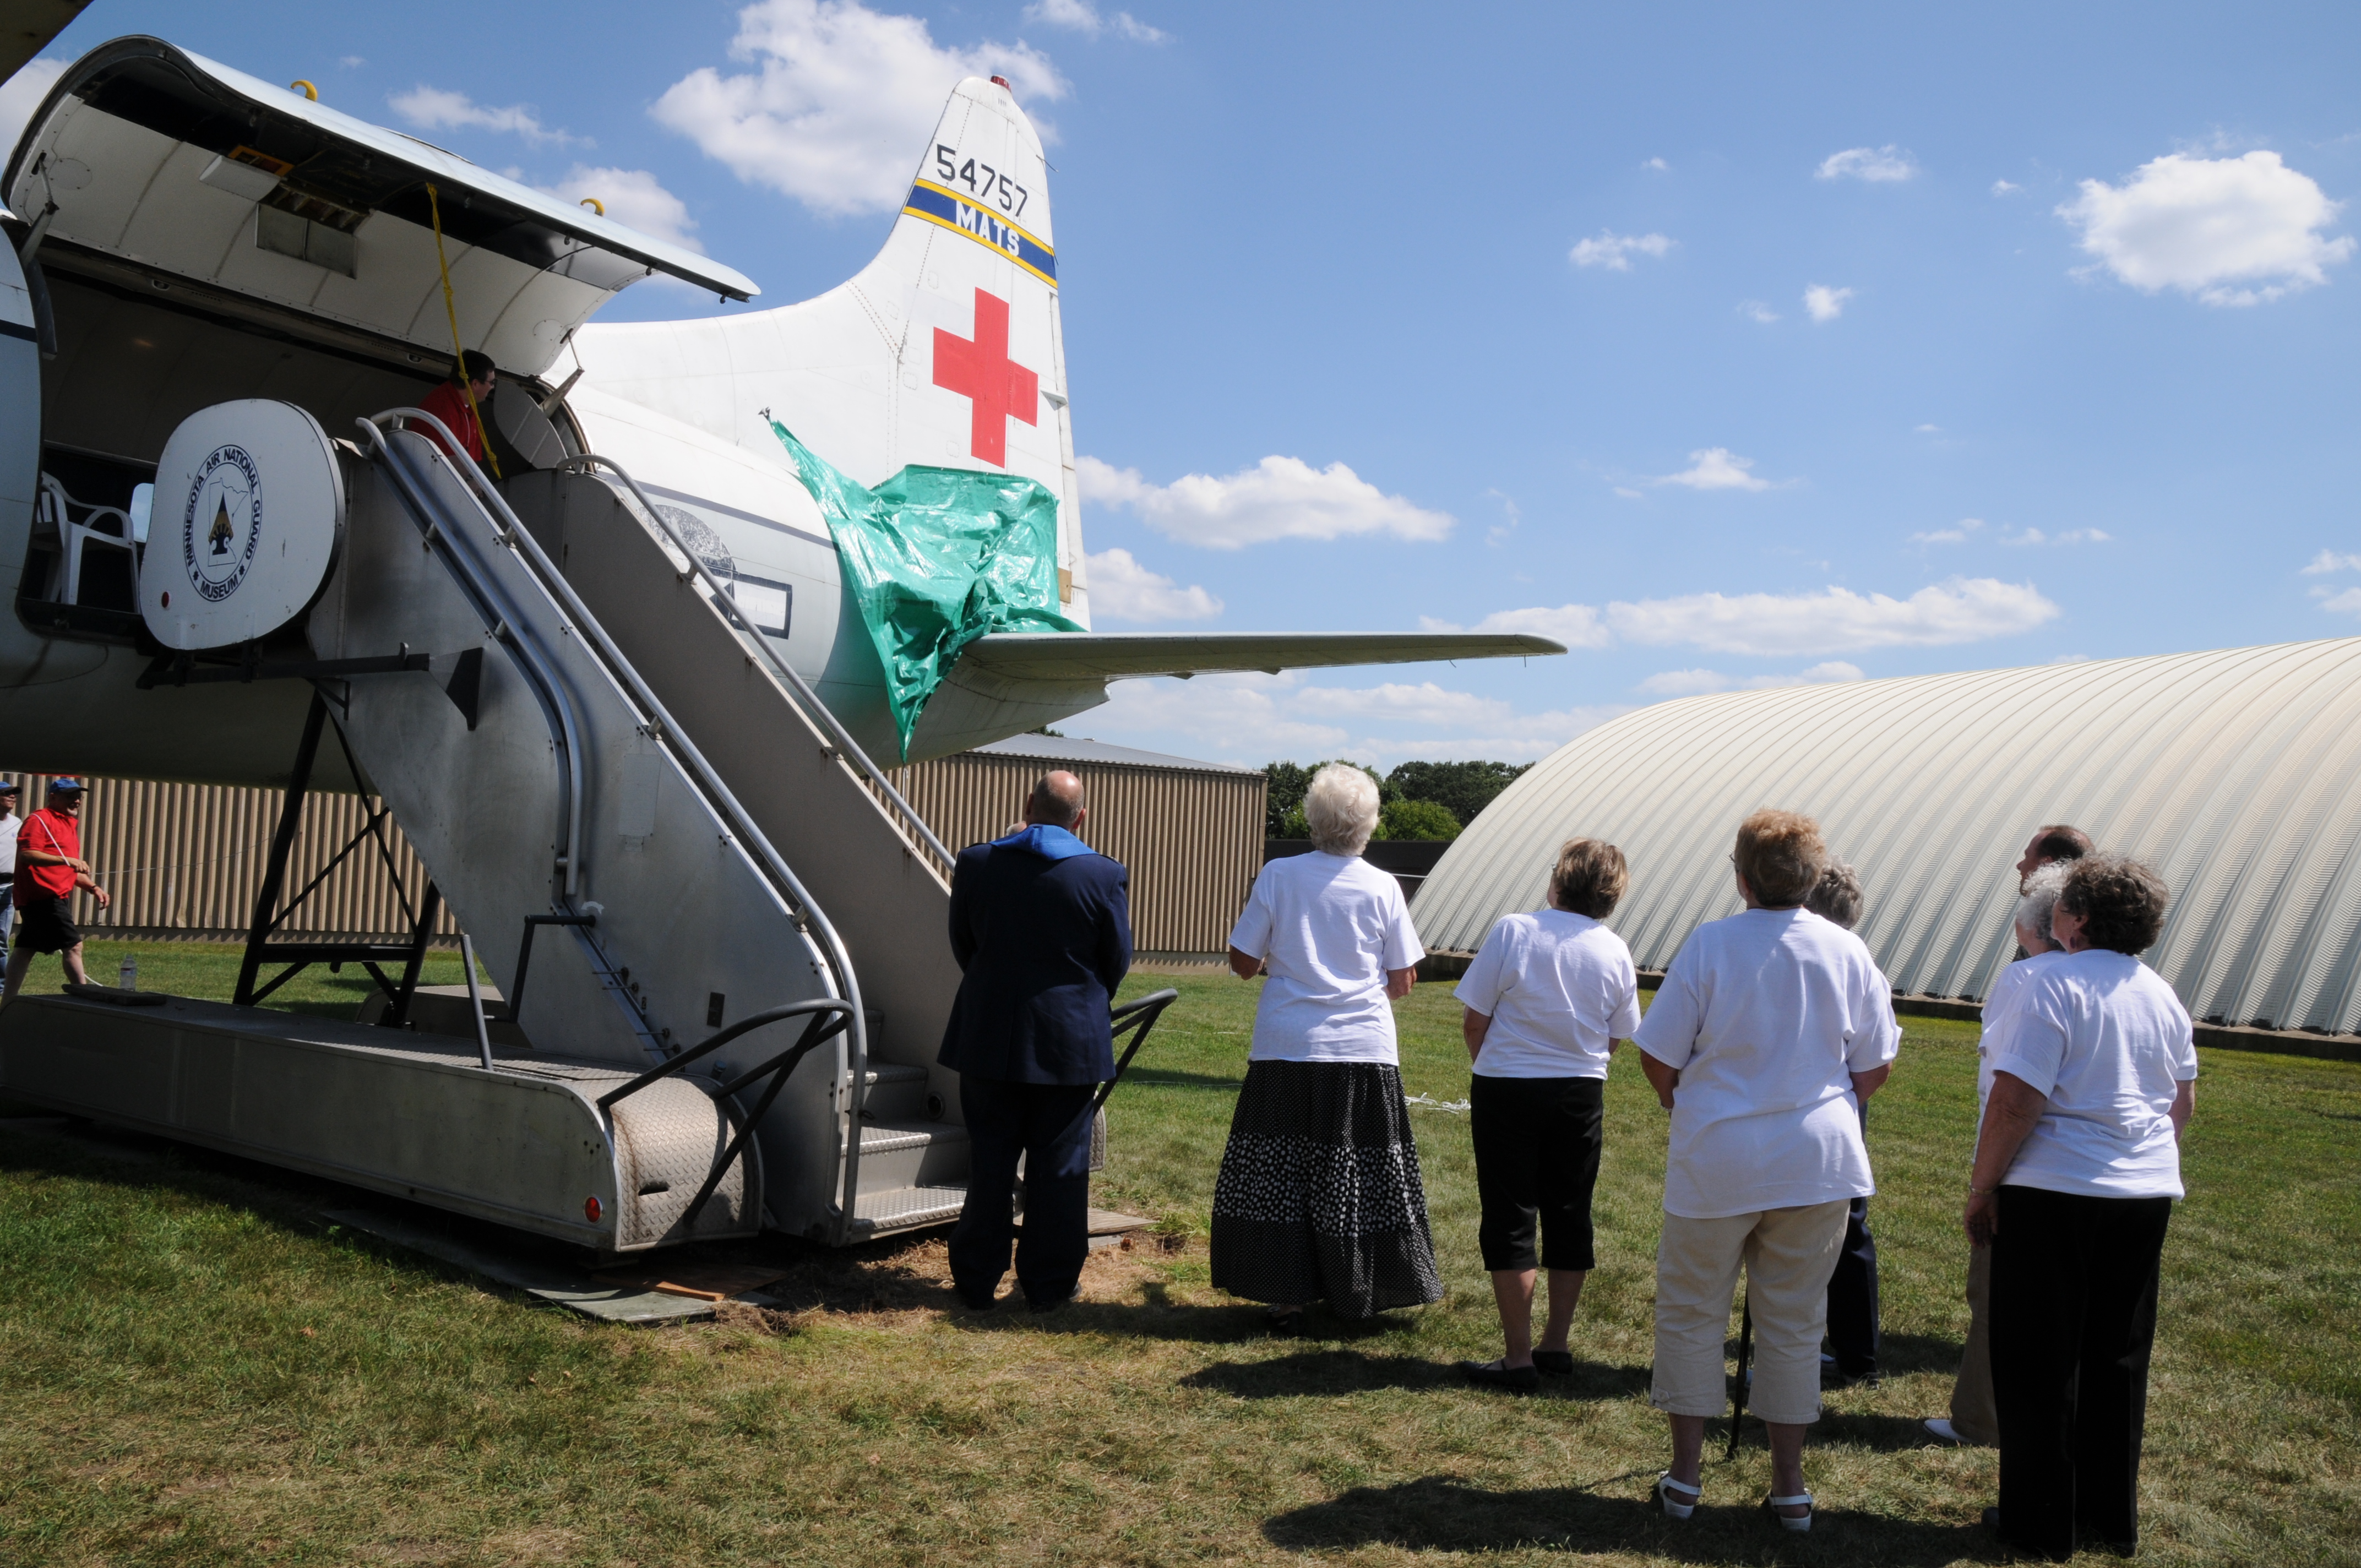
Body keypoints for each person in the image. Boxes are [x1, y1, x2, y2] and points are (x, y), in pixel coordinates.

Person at [1633, 809, 1898, 1533]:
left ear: (1742, 877)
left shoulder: (1711, 944)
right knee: (1795, 1323)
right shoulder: (1847, 950)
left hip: (1718, 1156)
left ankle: (1685, 1479)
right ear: (1812, 878)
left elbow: (1659, 1052)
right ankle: (1789, 1486)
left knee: (1692, 1314)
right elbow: (1874, 1065)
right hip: (1815, 1162)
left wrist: (1679, 1101)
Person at [1970, 854, 2195, 1561]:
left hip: (2053, 1191)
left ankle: (2040, 1522)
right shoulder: (2160, 994)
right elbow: (2181, 1101)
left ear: (2078, 918)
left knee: (2038, 1358)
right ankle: (2108, 1516)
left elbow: (2015, 1102)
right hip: (2143, 1193)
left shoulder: (2050, 983)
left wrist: (1982, 1187)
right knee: (2118, 1355)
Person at [1211, 763, 1441, 1330]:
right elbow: (1403, 979)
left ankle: (1287, 1295)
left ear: (1312, 818)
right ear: (1369, 823)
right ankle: (1357, 1290)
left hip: (1287, 1044)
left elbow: (1243, 963)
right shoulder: (1384, 886)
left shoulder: (1278, 874)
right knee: (1359, 1173)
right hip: (1363, 1048)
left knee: (1282, 1173)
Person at [938, 770, 1132, 1312]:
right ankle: (1049, 1283)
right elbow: (1115, 960)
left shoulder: (976, 862)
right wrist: (1080, 1005)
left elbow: (964, 943)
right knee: (1061, 1168)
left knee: (990, 1161)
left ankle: (976, 1278)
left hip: (990, 1033)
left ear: (1027, 805)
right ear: (1082, 818)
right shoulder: (1104, 874)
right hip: (1069, 1042)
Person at [1450, 837, 1640, 1392]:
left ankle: (1518, 1356)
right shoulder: (1615, 949)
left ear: (1559, 879)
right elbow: (1617, 1034)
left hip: (1506, 1086)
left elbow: (1475, 1019)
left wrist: (1492, 1066)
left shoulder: (1514, 930)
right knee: (1570, 1211)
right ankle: (1555, 1344)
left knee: (1510, 1215)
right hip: (1580, 1091)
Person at [1925, 825, 2091, 1446]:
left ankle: (1981, 1417)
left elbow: (2008, 1092)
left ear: (2039, 924)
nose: (2018, 866)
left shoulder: (2028, 981)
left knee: (1997, 1297)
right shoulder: (2124, 981)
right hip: (2108, 1182)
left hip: (2028, 1170)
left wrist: (1983, 1183)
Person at [1804, 859, 1881, 1390]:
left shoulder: (1832, 960)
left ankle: (1846, 1354)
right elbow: (1877, 1059)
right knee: (1848, 1225)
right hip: (1843, 1104)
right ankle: (1856, 1354)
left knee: (1822, 1227)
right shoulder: (1860, 960)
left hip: (1825, 1105)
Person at [2, 777, 111, 1004]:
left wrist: (93, 888)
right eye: (70, 796)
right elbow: (27, 854)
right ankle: (84, 1000)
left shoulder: (68, 823)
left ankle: (8, 1004)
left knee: (25, 949)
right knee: (74, 946)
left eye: (79, 797)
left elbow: (70, 868)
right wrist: (66, 860)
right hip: (42, 896)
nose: (77, 801)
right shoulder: (39, 820)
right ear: (53, 797)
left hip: (56, 896)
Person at [417, 350, 497, 466]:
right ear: (475, 384)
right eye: (492, 382)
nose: (492, 387)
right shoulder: (444, 410)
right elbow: (449, 465)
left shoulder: (467, 407)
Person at [0, 781, 20, 951]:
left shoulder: (17, 823)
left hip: (8, 887)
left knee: (2, 940)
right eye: (7, 793)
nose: (13, 797)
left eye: (14, 794)